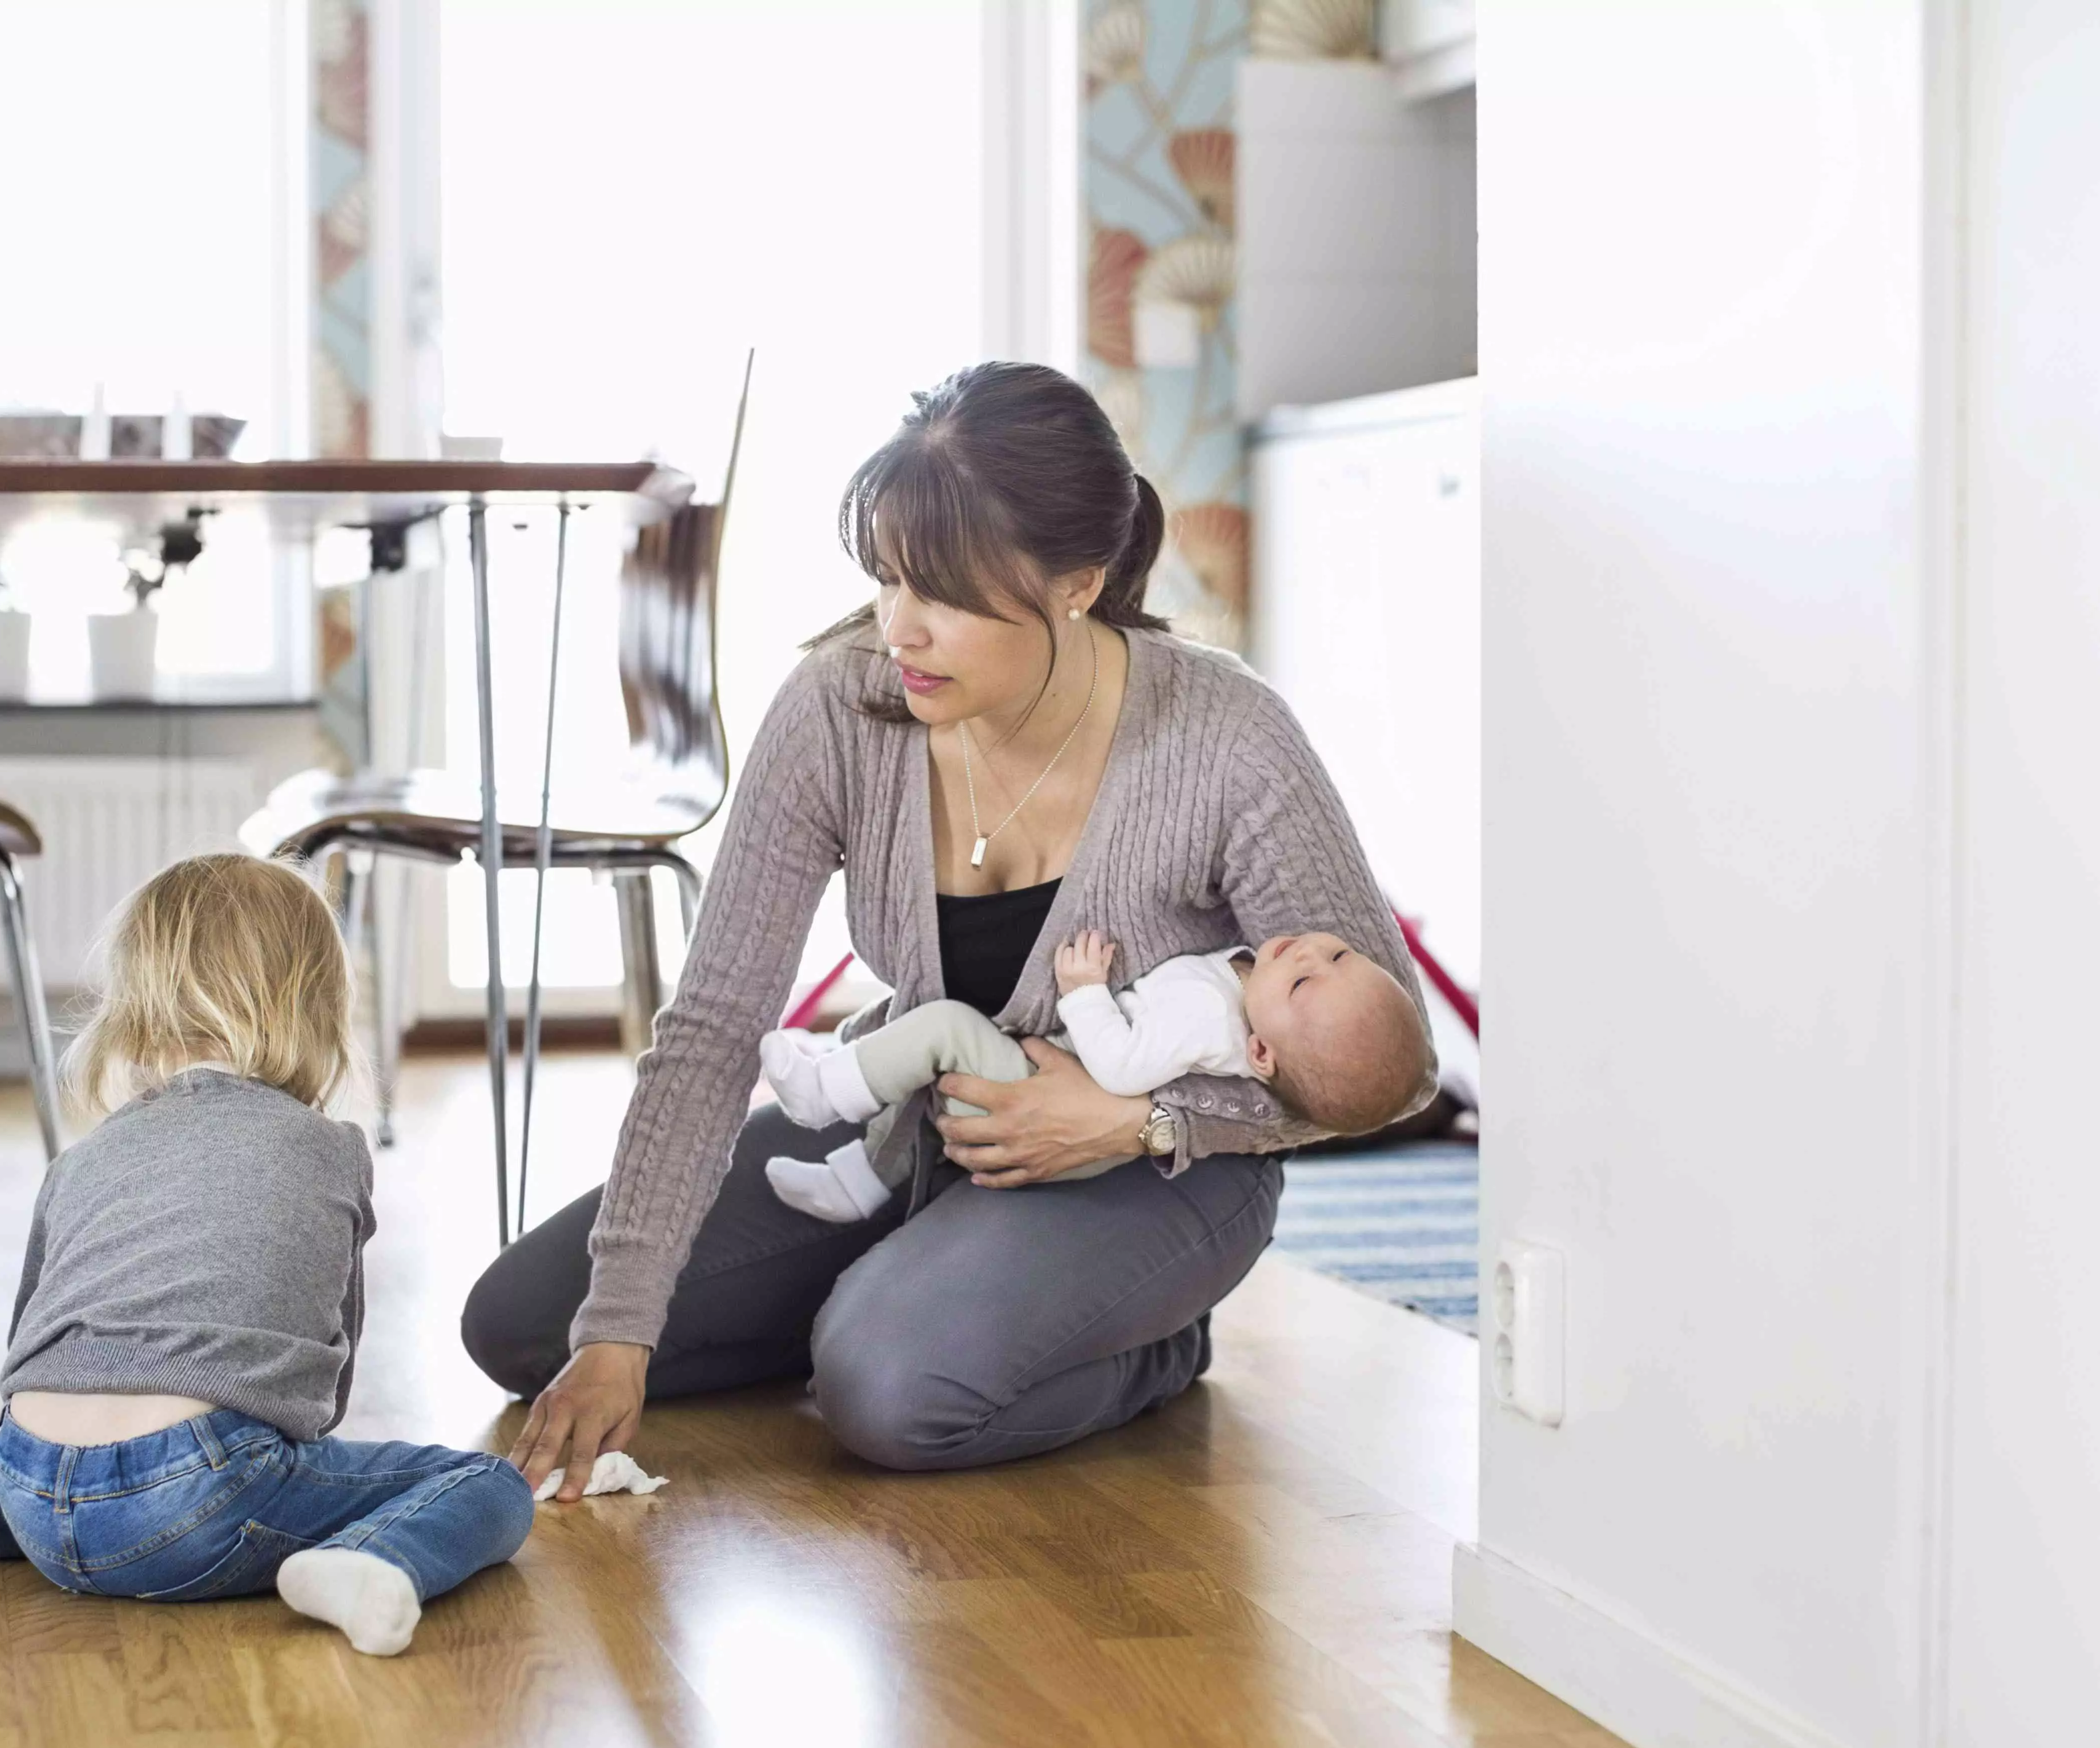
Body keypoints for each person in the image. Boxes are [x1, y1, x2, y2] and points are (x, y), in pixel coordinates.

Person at [461, 360, 1437, 1496]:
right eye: (887, 576)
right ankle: (919, 1284)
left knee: (887, 1391)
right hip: (910, 1134)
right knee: (530, 1326)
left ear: (1079, 582)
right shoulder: (839, 704)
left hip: (1164, 1174)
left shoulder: (1226, 735)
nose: (901, 630)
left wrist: (1141, 1120)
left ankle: (1146, 1342)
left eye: (950, 595)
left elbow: (1390, 1066)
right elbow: (719, 1020)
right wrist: (620, 1328)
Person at [0, 854, 532, 1658]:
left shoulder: (84, 1157)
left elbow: (33, 1341)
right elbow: (323, 1382)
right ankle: (367, 1561)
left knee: (100, 1442)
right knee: (490, 1483)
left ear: (137, 1007)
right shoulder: (328, 1149)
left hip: (32, 1475)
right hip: (195, 1500)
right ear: (314, 1006)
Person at [757, 927, 1430, 1222]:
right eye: (1340, 953)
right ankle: (859, 1182)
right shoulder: (1251, 992)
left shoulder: (1207, 1014)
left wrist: (1083, 990)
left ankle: (820, 1095)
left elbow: (1119, 1065)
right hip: (1048, 1092)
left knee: (943, 1029)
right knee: (928, 1066)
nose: (1308, 952)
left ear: (1261, 1057)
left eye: (1303, 981)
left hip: (1045, 1109)